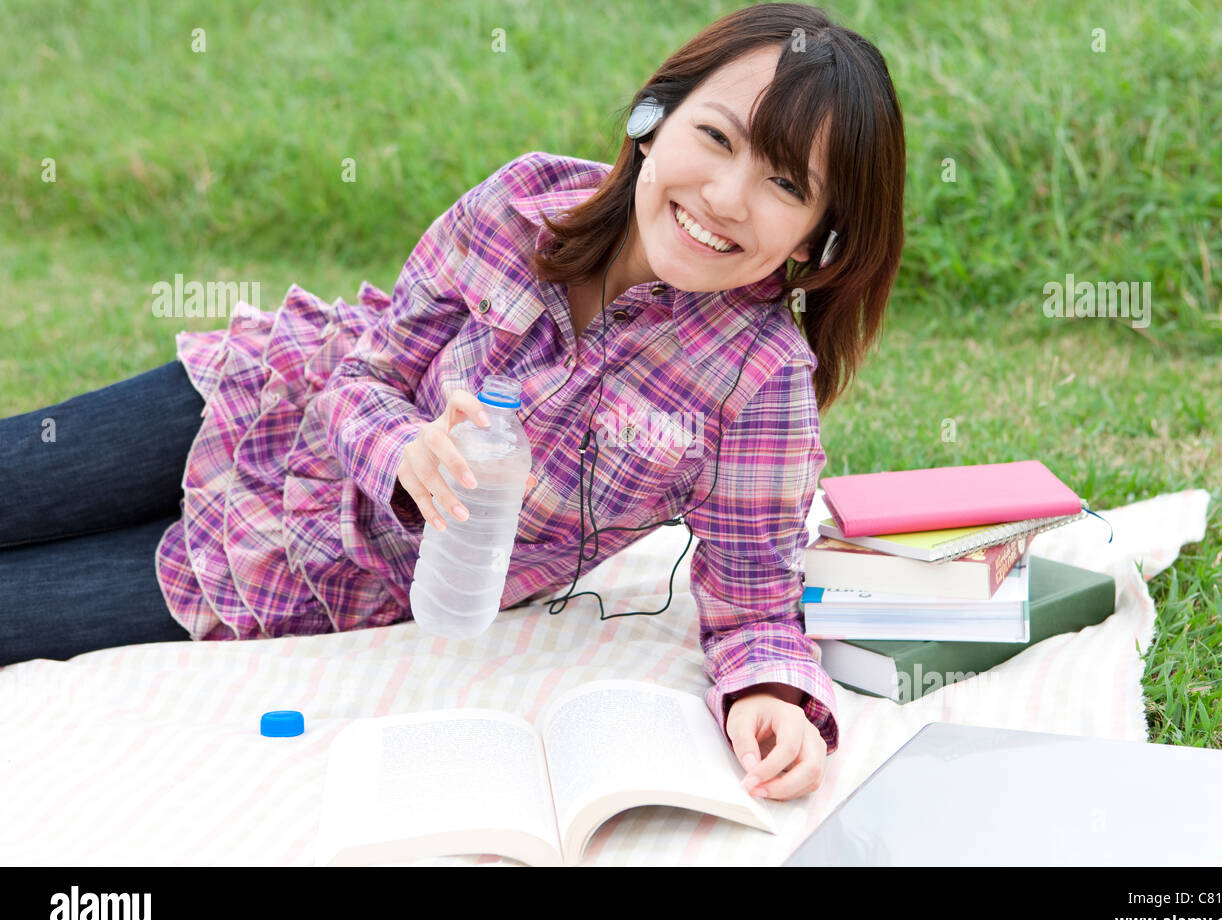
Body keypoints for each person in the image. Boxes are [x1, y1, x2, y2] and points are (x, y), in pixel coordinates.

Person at [0, 2, 905, 802]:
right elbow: (362, 375)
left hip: (311, 562)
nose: (725, 196)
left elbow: (753, 604)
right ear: (654, 116)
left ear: (819, 239)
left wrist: (771, 698)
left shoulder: (758, 382)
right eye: (717, 137)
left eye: (786, 185)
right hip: (257, 407)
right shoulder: (521, 204)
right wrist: (404, 449)